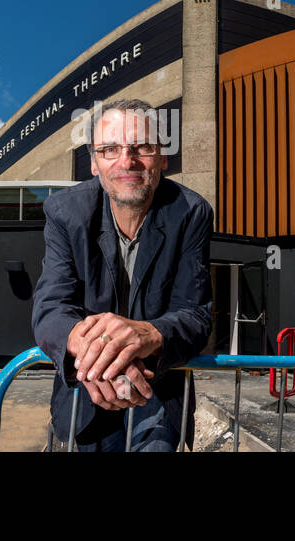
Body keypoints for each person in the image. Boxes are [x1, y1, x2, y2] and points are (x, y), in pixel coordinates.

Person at [31, 98, 213, 451]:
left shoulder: (191, 213)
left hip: (156, 390)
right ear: (94, 163)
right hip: (86, 392)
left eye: (141, 147)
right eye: (109, 149)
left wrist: (148, 332)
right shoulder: (65, 213)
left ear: (162, 157)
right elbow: (51, 305)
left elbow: (195, 314)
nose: (126, 162)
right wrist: (94, 353)